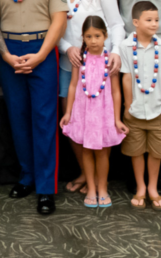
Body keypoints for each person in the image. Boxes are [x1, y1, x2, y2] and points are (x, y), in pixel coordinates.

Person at [0, 0, 68, 215]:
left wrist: (42, 54)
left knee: (44, 119)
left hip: (43, 50)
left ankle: (46, 188)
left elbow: (60, 19)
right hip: (10, 53)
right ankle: (27, 177)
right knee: (18, 117)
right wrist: (6, 56)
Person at [58, 0, 125, 195]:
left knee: (101, 119)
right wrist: (67, 48)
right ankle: (87, 174)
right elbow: (52, 25)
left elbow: (116, 23)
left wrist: (116, 51)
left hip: (101, 64)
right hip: (70, 64)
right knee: (73, 120)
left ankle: (98, 180)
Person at [60, 15, 127, 209]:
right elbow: (72, 86)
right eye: (88, 36)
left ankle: (102, 188)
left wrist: (117, 119)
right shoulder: (79, 59)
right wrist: (68, 113)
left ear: (105, 36)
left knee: (103, 153)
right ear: (83, 38)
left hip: (104, 114)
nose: (93, 40)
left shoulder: (110, 60)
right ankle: (91, 188)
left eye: (97, 35)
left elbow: (116, 91)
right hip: (84, 113)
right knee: (87, 151)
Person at [119, 0, 161, 209]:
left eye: (157, 20)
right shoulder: (125, 46)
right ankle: (141, 187)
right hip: (134, 110)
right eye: (149, 20)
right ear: (135, 22)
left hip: (158, 109)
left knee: (156, 151)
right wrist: (127, 104)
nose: (154, 24)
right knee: (136, 150)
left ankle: (153, 186)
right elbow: (126, 77)